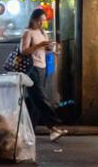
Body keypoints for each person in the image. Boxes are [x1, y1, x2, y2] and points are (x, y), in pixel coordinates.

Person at [20, 8, 65, 141]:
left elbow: (43, 51)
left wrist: (51, 49)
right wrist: (39, 45)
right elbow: (24, 51)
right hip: (31, 68)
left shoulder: (42, 32)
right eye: (40, 21)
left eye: (43, 21)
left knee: (35, 101)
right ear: (33, 19)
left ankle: (29, 130)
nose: (41, 23)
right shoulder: (28, 32)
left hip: (42, 68)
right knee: (40, 98)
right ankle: (53, 126)